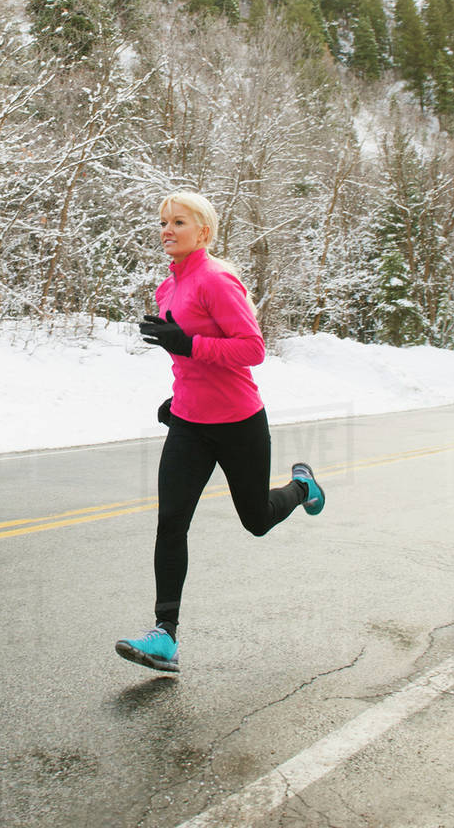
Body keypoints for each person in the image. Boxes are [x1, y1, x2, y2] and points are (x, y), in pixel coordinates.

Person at [115, 190, 324, 674]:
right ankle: (164, 635)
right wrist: (179, 397)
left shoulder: (216, 280)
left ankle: (302, 487)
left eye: (179, 222)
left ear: (203, 232)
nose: (167, 230)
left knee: (255, 519)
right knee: (171, 523)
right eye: (164, 222)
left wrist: (188, 344)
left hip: (237, 422)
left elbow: (252, 349)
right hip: (191, 423)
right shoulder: (167, 289)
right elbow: (188, 359)